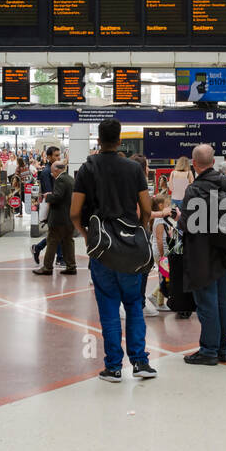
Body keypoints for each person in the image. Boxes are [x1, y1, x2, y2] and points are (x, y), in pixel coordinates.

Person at [71, 119, 155, 382]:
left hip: (102, 249)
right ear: (120, 140)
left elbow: (74, 212)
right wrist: (138, 231)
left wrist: (87, 236)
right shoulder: (133, 168)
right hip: (130, 248)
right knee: (133, 305)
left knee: (108, 308)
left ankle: (114, 367)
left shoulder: (87, 169)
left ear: (98, 139)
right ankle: (140, 362)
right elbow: (148, 209)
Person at [181, 143, 226, 365]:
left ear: (194, 164)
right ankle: (223, 347)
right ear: (213, 162)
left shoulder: (194, 190)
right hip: (225, 252)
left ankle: (209, 350)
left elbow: (187, 225)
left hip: (202, 254)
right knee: (223, 300)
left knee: (207, 303)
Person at [32, 159, 76, 276]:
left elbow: (57, 197)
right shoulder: (70, 179)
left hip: (58, 218)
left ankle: (47, 267)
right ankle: (71, 266)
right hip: (69, 218)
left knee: (52, 241)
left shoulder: (60, 179)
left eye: (53, 172)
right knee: (68, 242)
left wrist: (48, 196)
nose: (52, 174)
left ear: (57, 170)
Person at [31, 145, 61, 265]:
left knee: (56, 233)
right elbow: (48, 193)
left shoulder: (55, 170)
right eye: (56, 155)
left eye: (59, 155)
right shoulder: (46, 172)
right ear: (48, 157)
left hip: (56, 205)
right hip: (52, 206)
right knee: (57, 232)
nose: (59, 157)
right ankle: (60, 258)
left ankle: (38, 248)